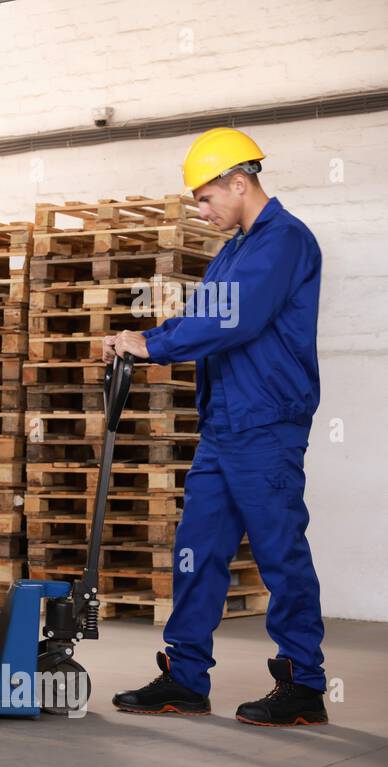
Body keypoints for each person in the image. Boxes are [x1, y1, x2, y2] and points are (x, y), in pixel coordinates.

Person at [105, 128, 327, 727]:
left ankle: (303, 684)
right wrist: (145, 339)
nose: (203, 211)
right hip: (224, 425)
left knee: (280, 554)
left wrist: (147, 343)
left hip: (268, 422)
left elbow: (231, 320)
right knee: (196, 551)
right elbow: (203, 317)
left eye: (206, 198)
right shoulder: (235, 248)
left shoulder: (284, 242)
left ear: (239, 180)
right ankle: (184, 678)